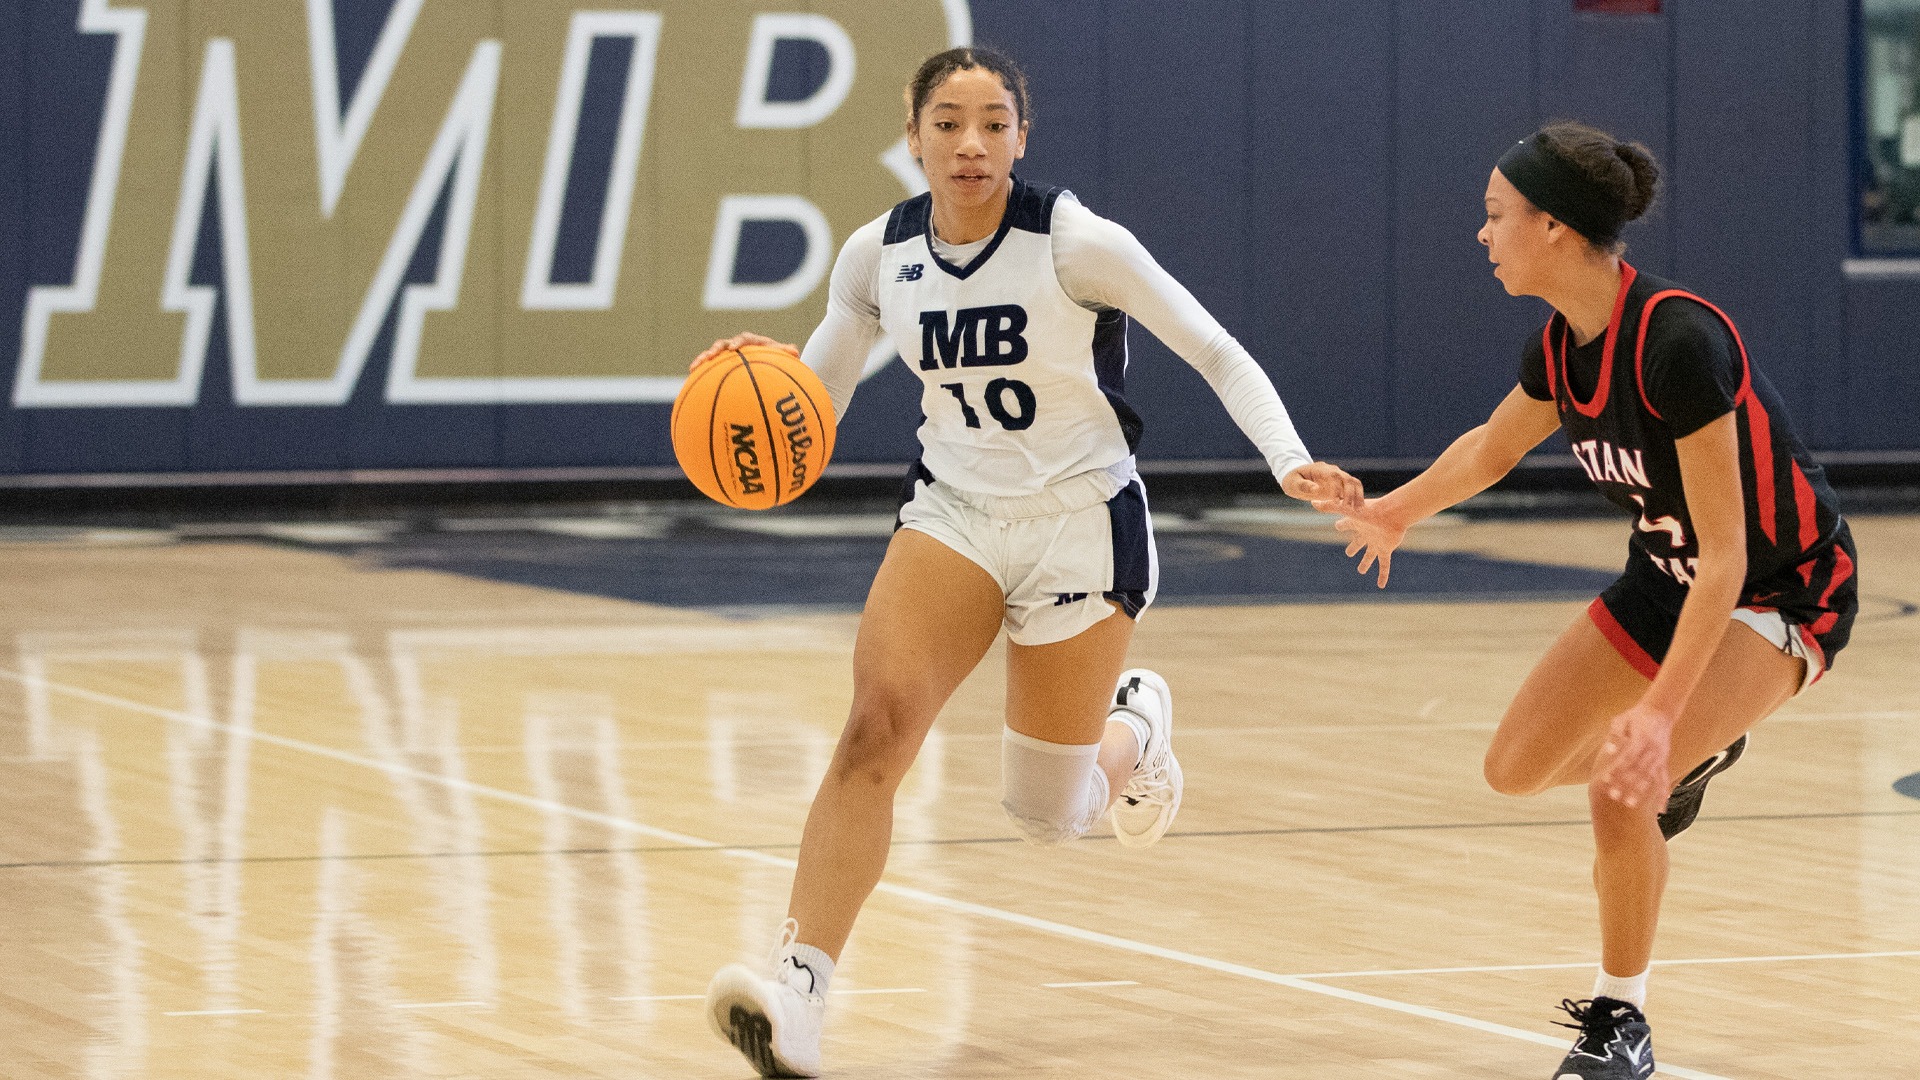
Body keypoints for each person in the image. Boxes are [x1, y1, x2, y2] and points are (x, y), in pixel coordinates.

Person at [696, 45, 1364, 1078]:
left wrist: (1287, 460)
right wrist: (754, 381)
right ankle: (800, 999)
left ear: (1021, 135)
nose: (972, 143)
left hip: (1079, 524)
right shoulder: (878, 255)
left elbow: (1215, 347)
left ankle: (1135, 731)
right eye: (950, 122)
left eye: (995, 122)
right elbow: (809, 408)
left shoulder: (1074, 242)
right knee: (875, 728)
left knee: (1049, 816)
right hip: (955, 517)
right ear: (912, 133)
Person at [1334, 122, 1858, 1080]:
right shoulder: (1564, 344)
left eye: (1496, 216)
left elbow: (1732, 554)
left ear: (1555, 227)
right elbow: (1492, 449)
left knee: (1626, 789)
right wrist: (1390, 512)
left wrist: (1659, 720)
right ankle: (1701, 752)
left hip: (1784, 587)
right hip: (1664, 581)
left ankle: (1622, 1023)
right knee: (1515, 767)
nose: (1482, 235)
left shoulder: (1680, 343)